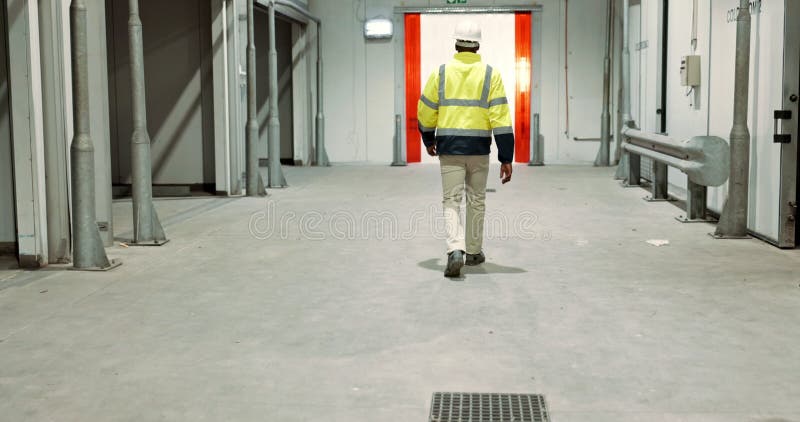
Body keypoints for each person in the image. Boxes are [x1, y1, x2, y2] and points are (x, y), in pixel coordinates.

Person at [417, 20, 515, 278]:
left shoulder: (440, 73)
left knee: (451, 200)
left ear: (456, 44)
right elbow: (501, 117)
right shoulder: (491, 74)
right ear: (478, 46)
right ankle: (473, 252)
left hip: (450, 148)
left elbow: (425, 110)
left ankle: (454, 250)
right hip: (479, 149)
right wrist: (506, 156)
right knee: (476, 199)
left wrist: (428, 139)